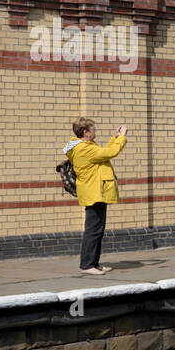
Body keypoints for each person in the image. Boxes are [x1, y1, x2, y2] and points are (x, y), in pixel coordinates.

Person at [65, 117, 127, 275]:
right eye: (93, 129)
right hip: (94, 192)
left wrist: (115, 138)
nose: (95, 131)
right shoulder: (84, 148)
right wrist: (122, 138)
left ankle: (94, 263)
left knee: (97, 229)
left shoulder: (86, 146)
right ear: (85, 132)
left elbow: (103, 153)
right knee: (92, 230)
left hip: (96, 191)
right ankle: (86, 265)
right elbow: (110, 152)